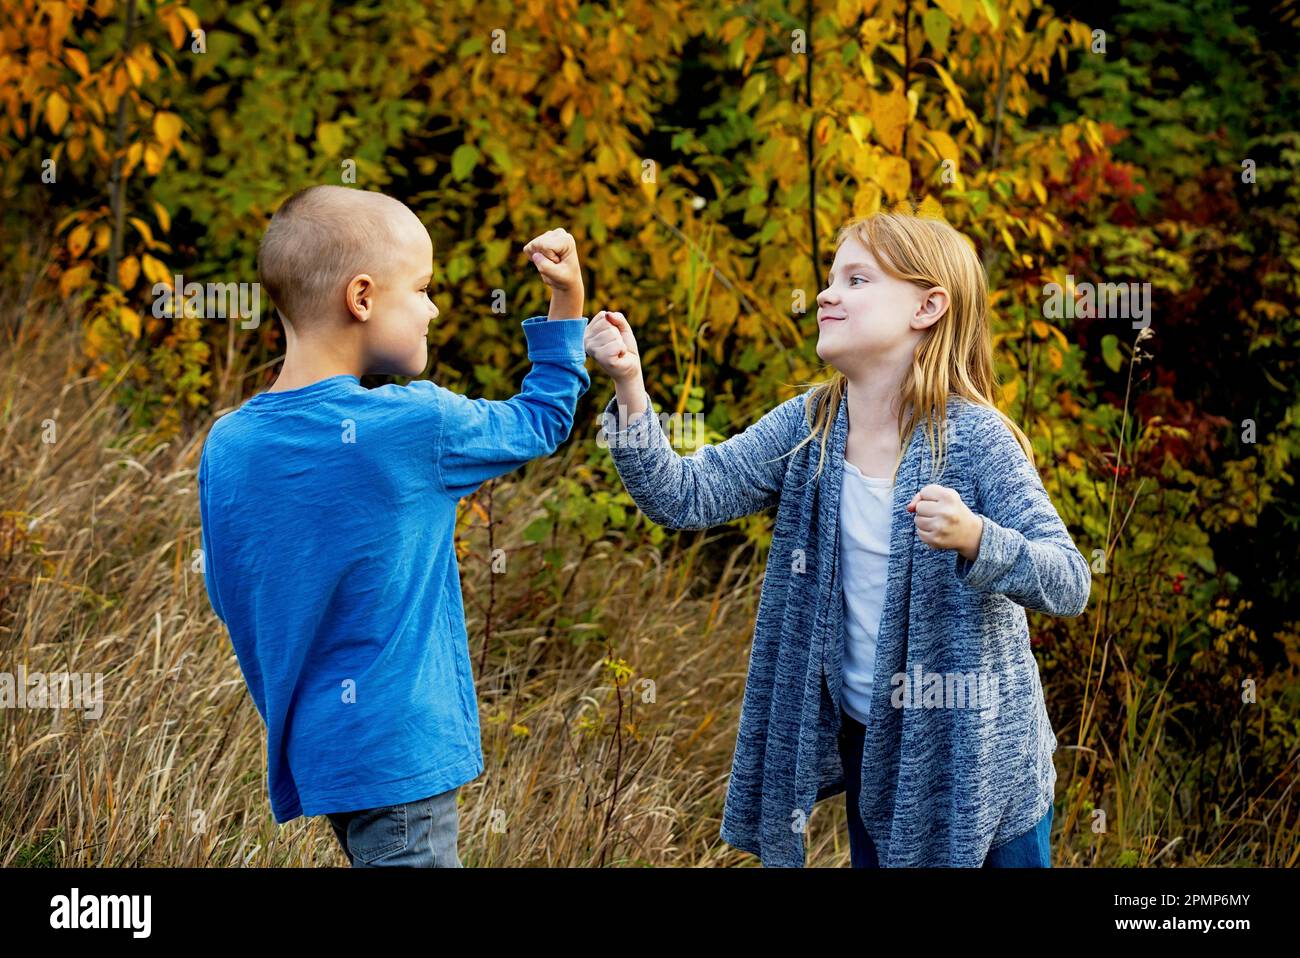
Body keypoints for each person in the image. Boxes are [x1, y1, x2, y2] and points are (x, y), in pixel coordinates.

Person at [585, 210, 1090, 867]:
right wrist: (630, 386)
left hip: (981, 766)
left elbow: (1069, 581)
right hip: (874, 745)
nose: (827, 294)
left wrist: (977, 538)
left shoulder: (976, 439)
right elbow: (684, 496)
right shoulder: (809, 426)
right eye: (830, 280)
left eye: (857, 280)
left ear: (928, 306)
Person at [197, 184, 592, 866]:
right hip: (400, 750)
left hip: (322, 752)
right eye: (423, 288)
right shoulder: (414, 426)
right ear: (362, 298)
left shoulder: (229, 445)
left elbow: (234, 595)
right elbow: (543, 419)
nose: (434, 307)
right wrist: (569, 302)